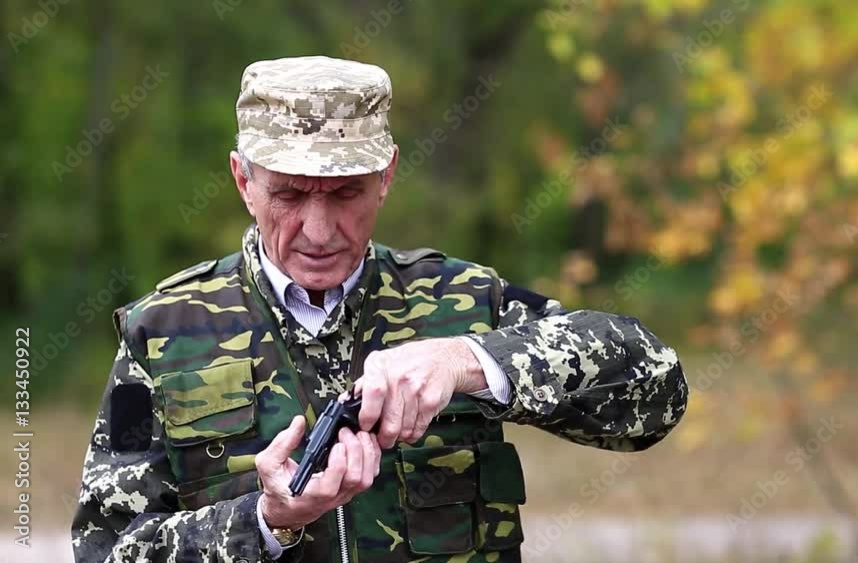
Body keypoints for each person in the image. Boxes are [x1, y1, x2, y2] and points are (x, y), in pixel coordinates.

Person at [71, 55, 688, 563]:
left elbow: (656, 389)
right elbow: (104, 550)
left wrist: (467, 358)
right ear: (242, 180)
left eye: (345, 193)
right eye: (288, 193)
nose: (318, 229)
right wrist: (261, 523)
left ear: (387, 175)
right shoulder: (165, 332)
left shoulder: (463, 301)